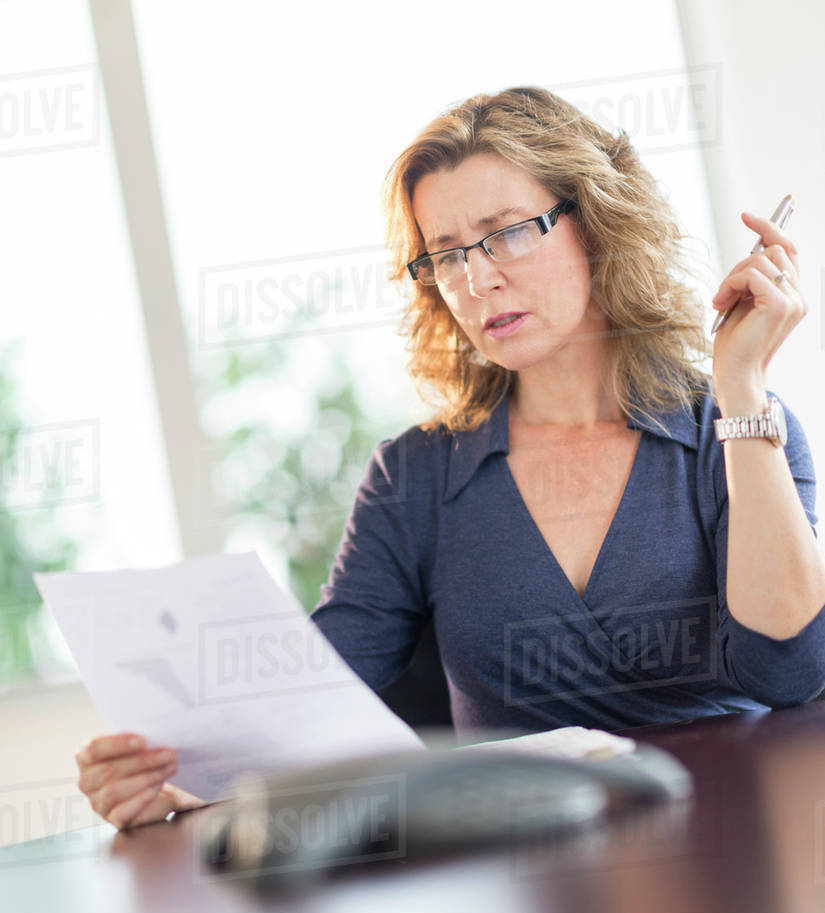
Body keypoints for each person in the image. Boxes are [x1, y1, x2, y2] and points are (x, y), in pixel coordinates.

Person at [75, 85, 825, 830]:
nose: (476, 279)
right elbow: (312, 703)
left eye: (507, 233)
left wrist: (738, 384)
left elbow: (788, 669)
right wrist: (177, 780)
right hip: (527, 883)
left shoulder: (733, 427)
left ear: (594, 226)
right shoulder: (416, 477)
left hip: (739, 851)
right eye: (446, 256)